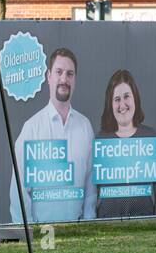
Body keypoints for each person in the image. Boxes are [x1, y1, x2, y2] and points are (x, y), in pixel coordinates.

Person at [9, 47, 97, 223]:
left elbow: (90, 188)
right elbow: (18, 191)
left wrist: (88, 230)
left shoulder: (85, 127)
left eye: (70, 74)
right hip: (41, 237)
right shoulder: (31, 129)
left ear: (75, 80)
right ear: (48, 76)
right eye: (59, 72)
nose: (64, 79)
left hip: (78, 237)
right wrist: (29, 237)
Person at [95, 69, 156, 219]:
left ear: (135, 99)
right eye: (117, 99)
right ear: (110, 104)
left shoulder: (150, 136)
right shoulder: (101, 139)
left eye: (126, 96)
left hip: (144, 219)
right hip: (107, 221)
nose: (122, 104)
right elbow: (94, 189)